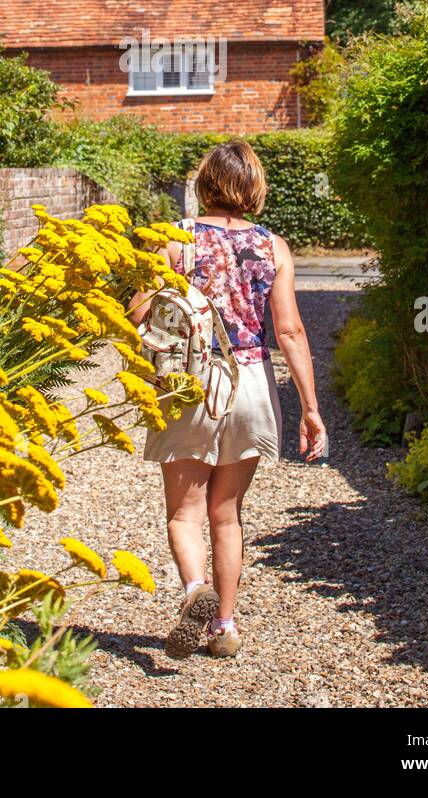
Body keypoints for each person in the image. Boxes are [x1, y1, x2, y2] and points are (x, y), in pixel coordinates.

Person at [129, 139, 326, 660]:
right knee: (227, 513)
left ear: (206, 184)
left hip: (190, 381)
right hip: (252, 383)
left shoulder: (176, 241)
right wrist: (310, 407)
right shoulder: (273, 246)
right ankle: (224, 626)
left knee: (185, 513)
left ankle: (195, 590)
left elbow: (138, 313)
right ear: (254, 187)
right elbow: (290, 330)